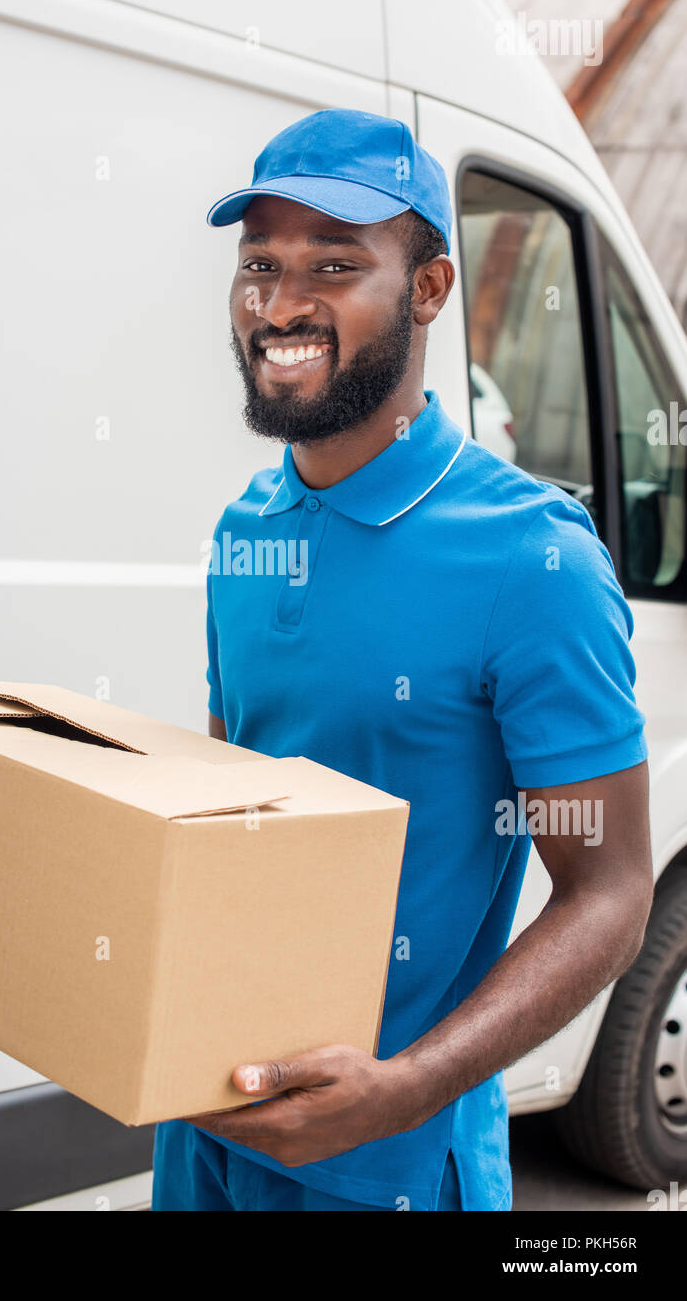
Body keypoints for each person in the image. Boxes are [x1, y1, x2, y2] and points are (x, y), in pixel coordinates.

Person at [150, 108, 653, 1211]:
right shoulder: (246, 531)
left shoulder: (532, 558)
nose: (282, 307)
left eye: (336, 265)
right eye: (262, 267)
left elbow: (610, 892)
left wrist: (406, 1087)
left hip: (392, 1166)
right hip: (201, 1136)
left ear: (428, 289)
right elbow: (233, 819)